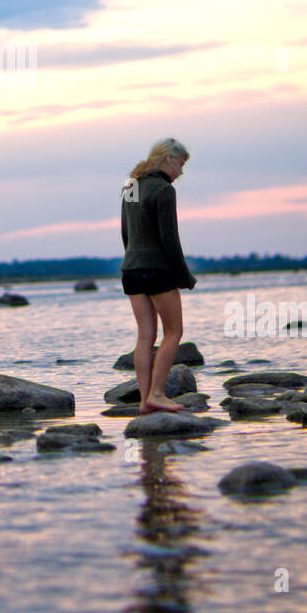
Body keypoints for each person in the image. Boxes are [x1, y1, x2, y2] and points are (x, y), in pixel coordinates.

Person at [119, 137, 197, 414]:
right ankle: (158, 393)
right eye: (181, 163)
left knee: (144, 337)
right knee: (174, 332)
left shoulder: (130, 186)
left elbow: (126, 233)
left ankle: (144, 402)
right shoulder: (164, 190)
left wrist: (134, 260)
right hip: (158, 271)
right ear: (168, 158)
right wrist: (184, 276)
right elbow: (169, 239)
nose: (182, 171)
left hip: (131, 270)